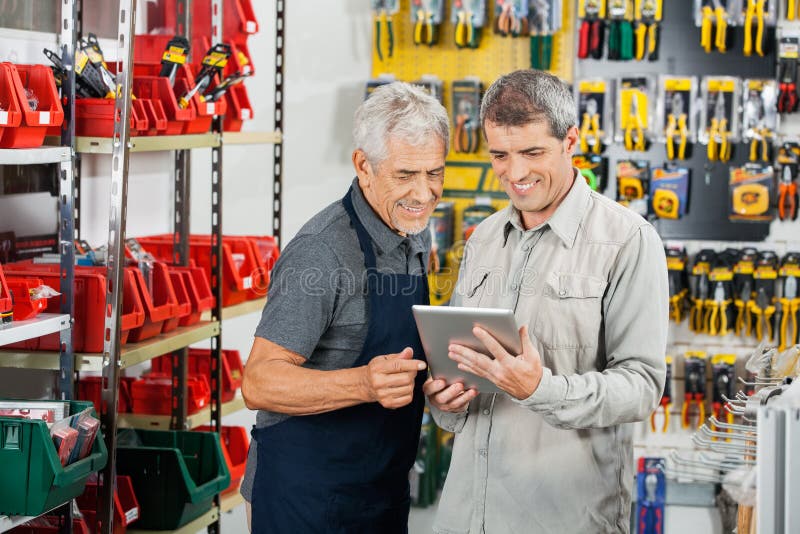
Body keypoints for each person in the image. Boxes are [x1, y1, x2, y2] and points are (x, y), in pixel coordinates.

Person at [424, 69, 668, 533]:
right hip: (464, 516)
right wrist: (445, 398)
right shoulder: (484, 240)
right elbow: (454, 377)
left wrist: (540, 389)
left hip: (562, 518)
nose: (514, 173)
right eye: (500, 154)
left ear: (570, 139)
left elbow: (641, 388)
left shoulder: (628, 241)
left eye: (532, 152)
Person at [240, 81, 449, 533]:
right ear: (363, 166)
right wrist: (364, 383)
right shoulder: (322, 252)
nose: (424, 193)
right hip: (305, 500)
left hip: (380, 494)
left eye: (435, 173)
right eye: (406, 175)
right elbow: (258, 382)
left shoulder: (413, 231)